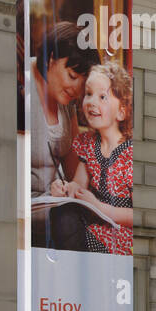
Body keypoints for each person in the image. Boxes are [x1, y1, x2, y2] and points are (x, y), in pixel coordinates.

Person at [50, 63, 133, 255]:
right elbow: (78, 185)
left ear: (122, 111)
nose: (91, 102)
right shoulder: (87, 143)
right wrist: (65, 188)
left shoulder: (130, 153)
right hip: (91, 227)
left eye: (102, 97)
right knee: (62, 213)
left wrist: (98, 206)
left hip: (119, 236)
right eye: (88, 94)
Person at [28, 21, 96, 250]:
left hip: (54, 207)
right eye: (72, 75)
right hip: (22, 209)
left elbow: (72, 168)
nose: (77, 90)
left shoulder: (66, 102)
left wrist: (68, 187)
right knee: (69, 220)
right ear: (50, 59)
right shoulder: (20, 87)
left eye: (83, 82)